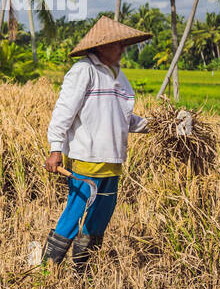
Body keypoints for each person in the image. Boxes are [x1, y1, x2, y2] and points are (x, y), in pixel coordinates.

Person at [42, 15, 152, 271]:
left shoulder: (118, 76)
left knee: (99, 220)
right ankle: (47, 271)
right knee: (74, 215)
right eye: (117, 44)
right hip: (86, 159)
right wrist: (55, 148)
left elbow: (124, 119)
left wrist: (159, 125)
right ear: (101, 46)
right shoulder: (84, 70)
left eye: (124, 45)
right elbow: (63, 112)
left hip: (113, 161)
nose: (122, 49)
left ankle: (83, 272)